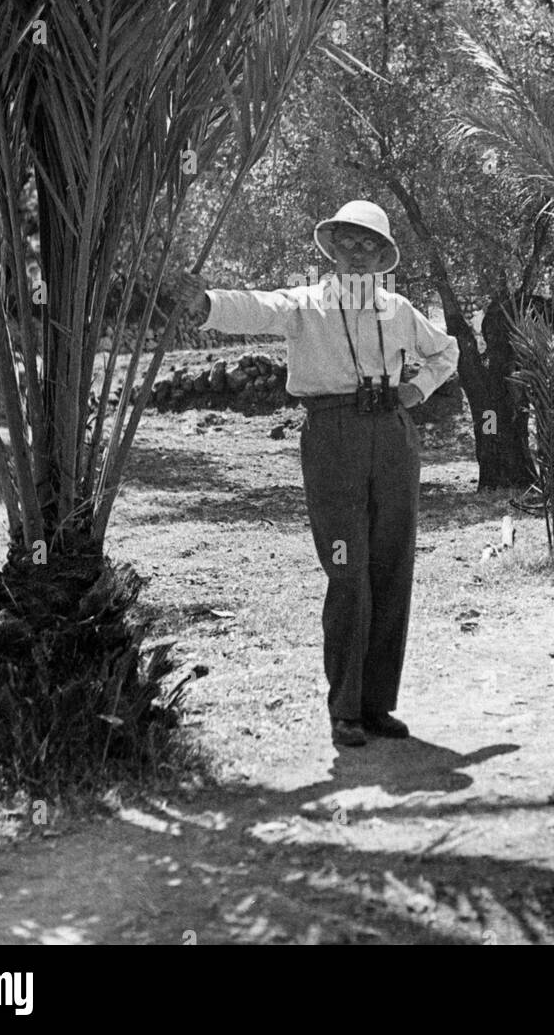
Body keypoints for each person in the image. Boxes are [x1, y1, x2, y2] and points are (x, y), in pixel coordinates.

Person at [181, 201, 459, 748]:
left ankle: (378, 706)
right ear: (331, 249)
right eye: (348, 243)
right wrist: (206, 304)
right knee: (346, 567)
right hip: (332, 436)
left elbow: (445, 352)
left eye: (369, 245)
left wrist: (417, 389)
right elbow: (255, 308)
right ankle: (346, 709)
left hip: (392, 436)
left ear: (383, 256)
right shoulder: (305, 304)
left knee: (391, 565)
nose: (358, 253)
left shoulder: (399, 309)